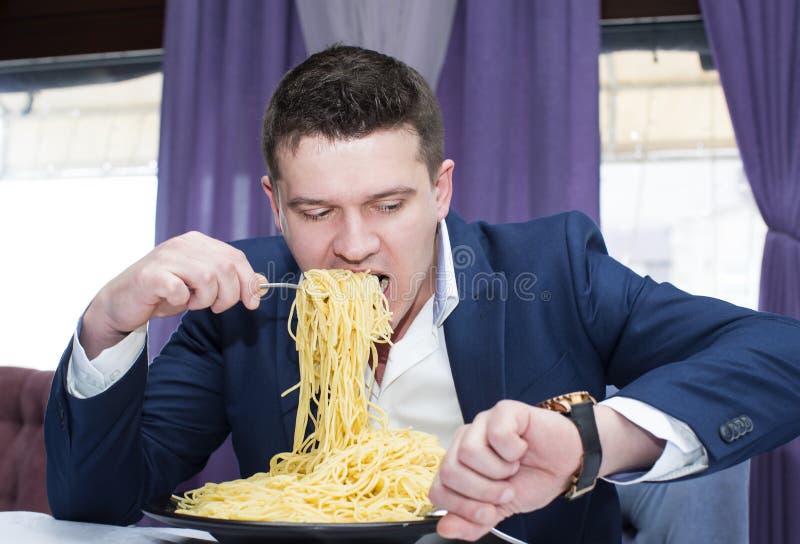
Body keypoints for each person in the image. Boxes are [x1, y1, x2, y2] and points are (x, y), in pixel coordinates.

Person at [45, 45, 800, 543]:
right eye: (315, 212)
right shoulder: (240, 303)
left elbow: (779, 355)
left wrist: (587, 442)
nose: (353, 244)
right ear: (275, 205)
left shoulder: (552, 269)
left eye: (388, 205)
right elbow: (99, 505)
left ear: (440, 191)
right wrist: (108, 324)